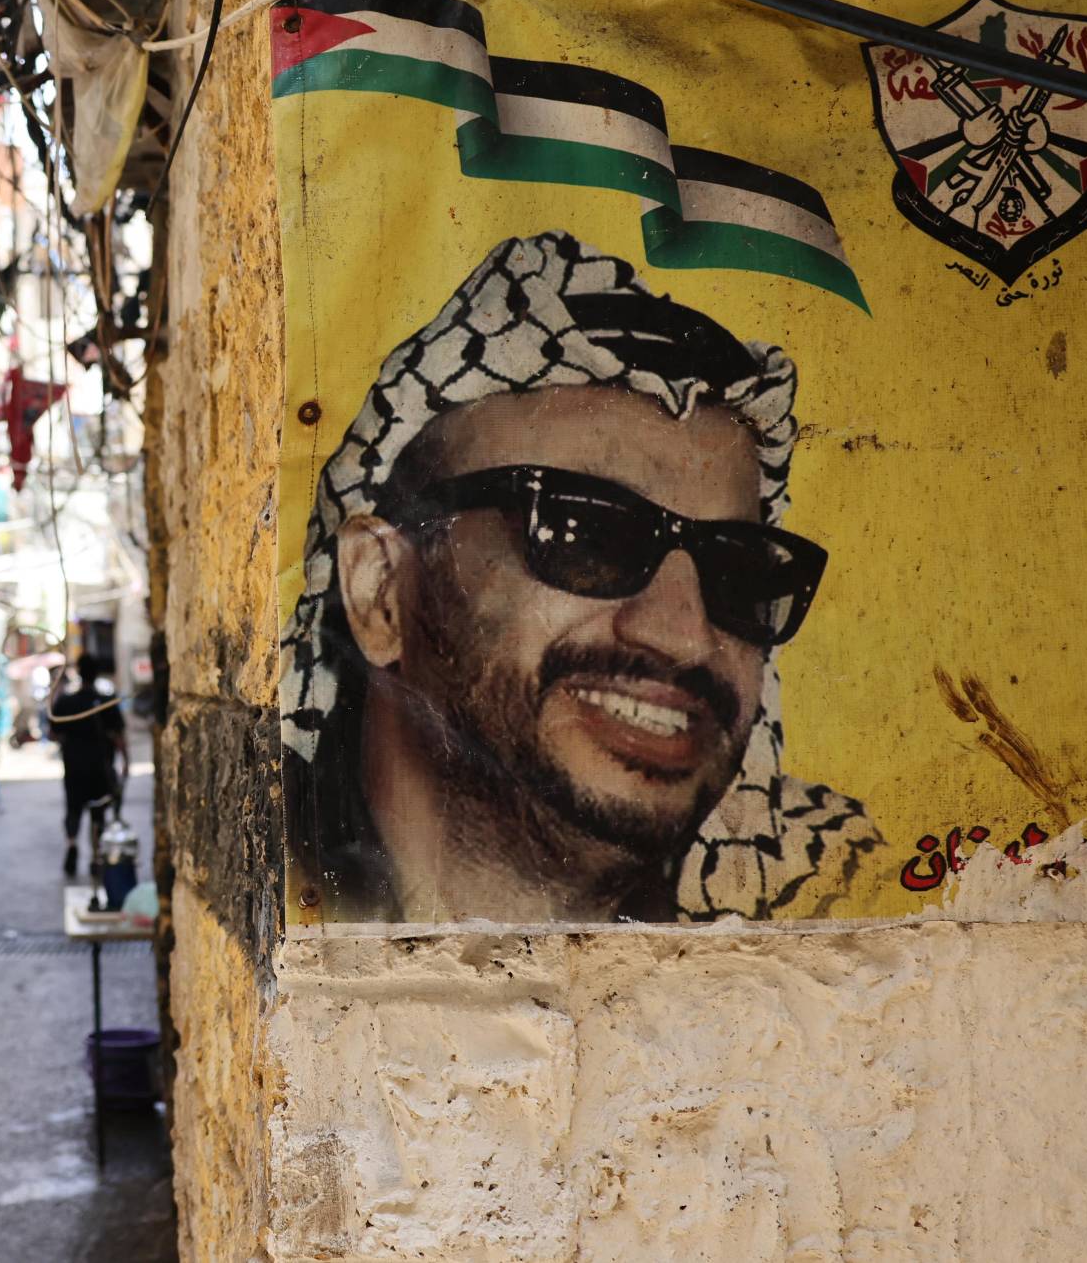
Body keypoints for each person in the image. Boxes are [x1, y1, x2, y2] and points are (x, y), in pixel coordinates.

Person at [280, 231, 880, 925]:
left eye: (735, 570)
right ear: (379, 590)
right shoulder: (263, 890)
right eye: (588, 534)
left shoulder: (842, 899)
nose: (685, 636)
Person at [49, 653, 127, 877]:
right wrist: (126, 762)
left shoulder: (66, 701)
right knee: (98, 812)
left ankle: (72, 845)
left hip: (74, 767)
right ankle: (95, 857)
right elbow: (118, 736)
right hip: (100, 766)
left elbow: (53, 733)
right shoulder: (106, 701)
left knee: (73, 809)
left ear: (79, 672)